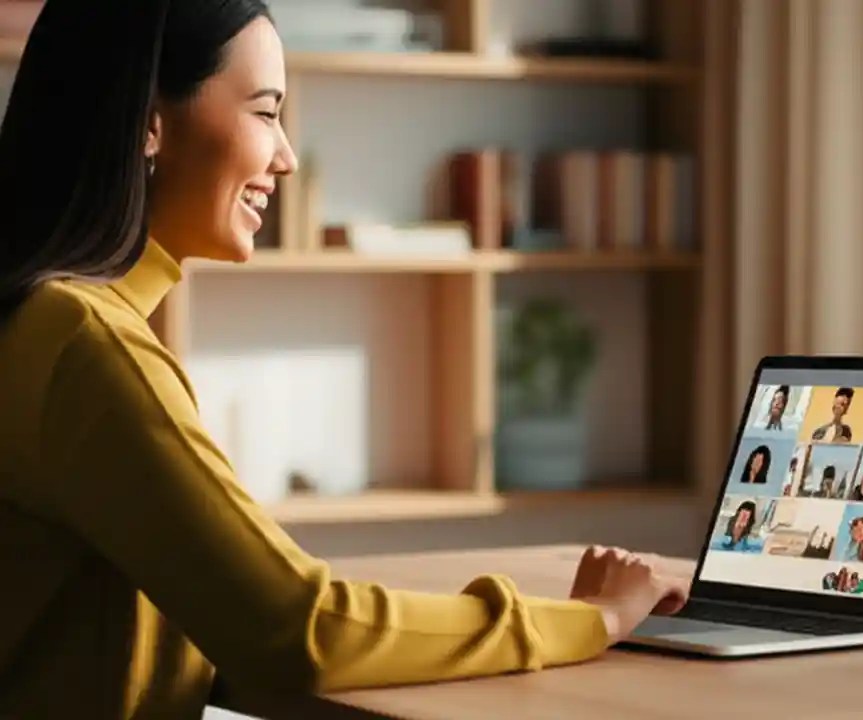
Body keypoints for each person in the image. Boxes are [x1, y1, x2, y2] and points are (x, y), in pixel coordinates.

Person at [0, 3, 687, 717]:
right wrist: (595, 619)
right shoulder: (81, 342)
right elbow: (300, 629)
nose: (287, 156)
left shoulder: (42, 321)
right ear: (151, 122)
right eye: (266, 113)